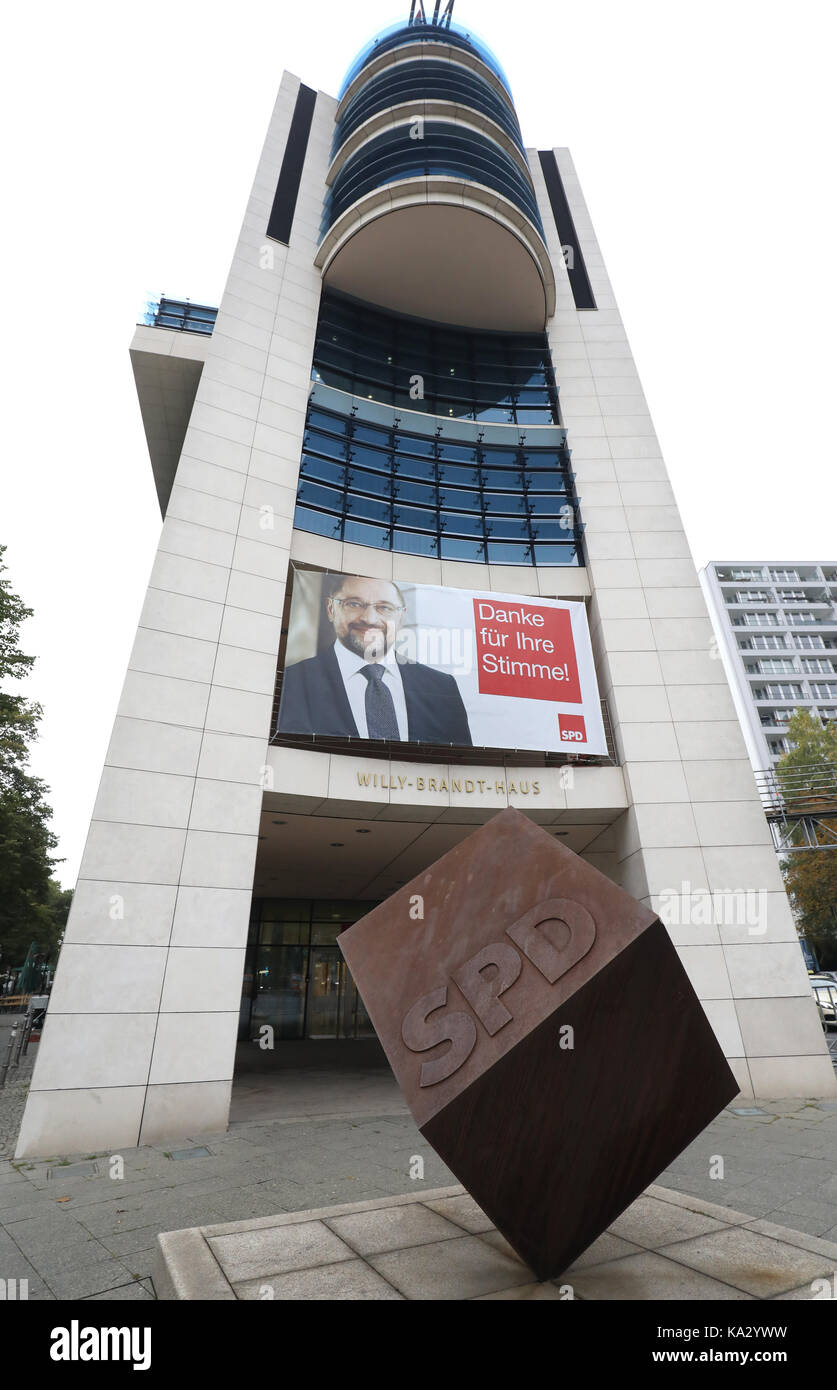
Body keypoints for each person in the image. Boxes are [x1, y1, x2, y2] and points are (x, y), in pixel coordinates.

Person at [278, 573, 472, 745]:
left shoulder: (442, 688)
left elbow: (457, 764)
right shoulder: (292, 683)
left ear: (401, 616)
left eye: (384, 608)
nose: (369, 619)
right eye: (353, 604)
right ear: (331, 609)